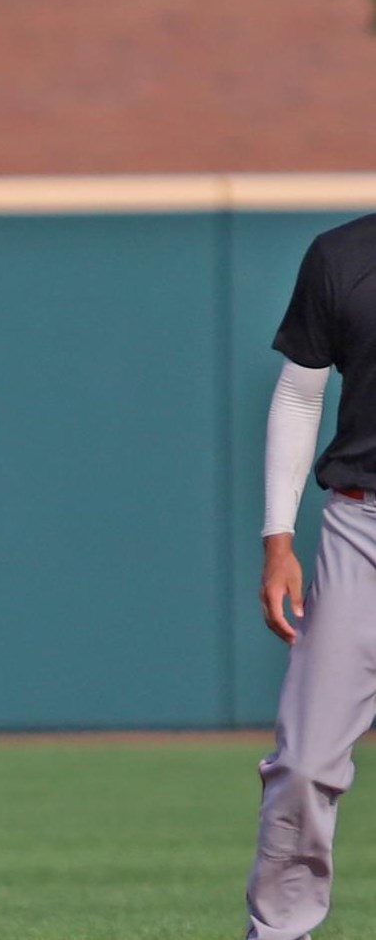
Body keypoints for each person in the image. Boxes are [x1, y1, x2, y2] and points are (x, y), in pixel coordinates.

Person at [247, 213, 376, 940]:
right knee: (302, 764)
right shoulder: (344, 254)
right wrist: (277, 537)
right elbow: (300, 392)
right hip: (362, 526)